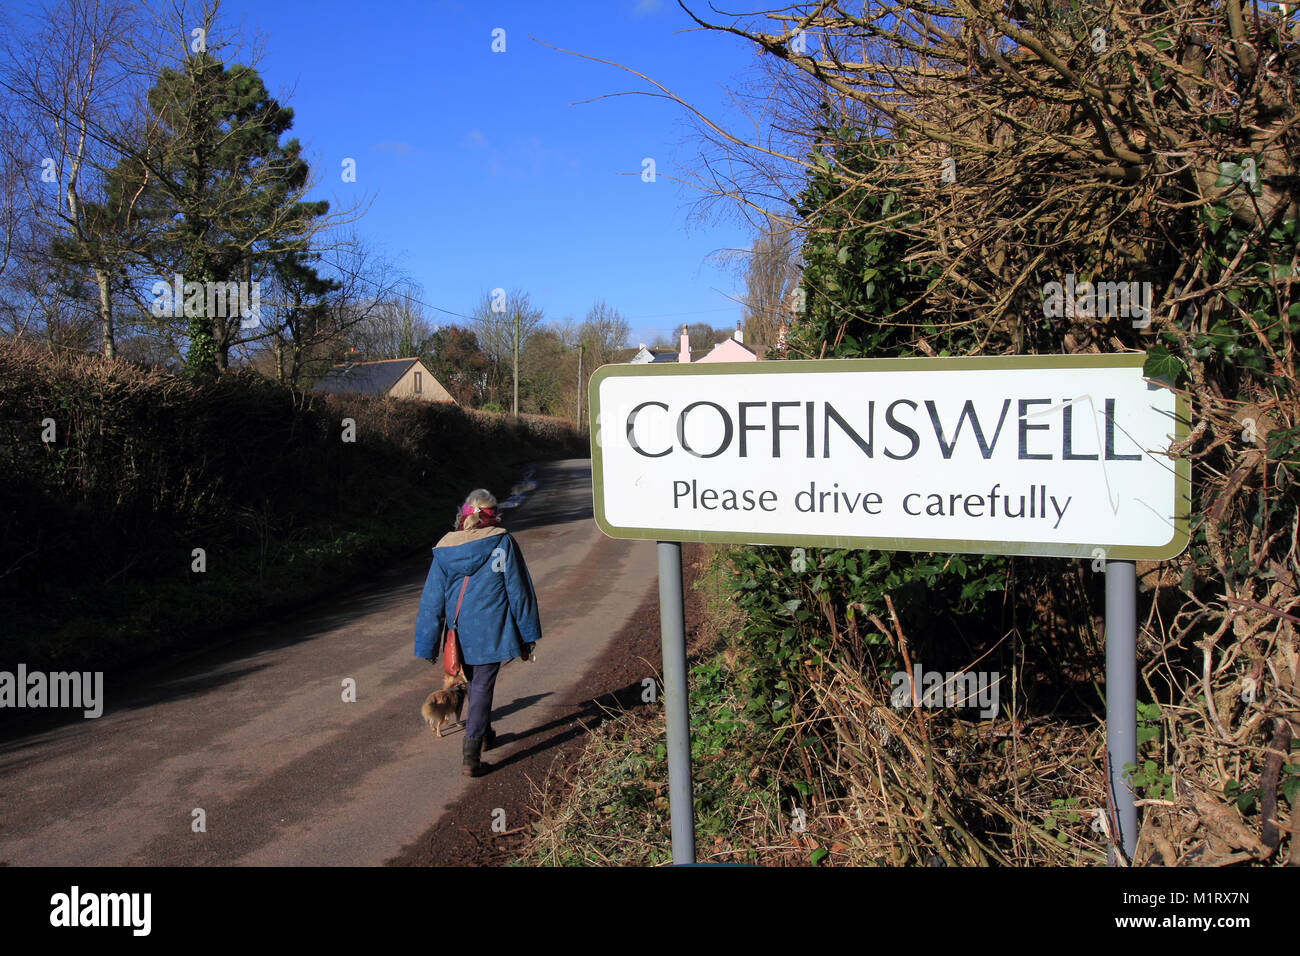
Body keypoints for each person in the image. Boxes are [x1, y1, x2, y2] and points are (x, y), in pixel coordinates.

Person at [414, 488, 540, 776]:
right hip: (492, 629)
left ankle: (484, 733)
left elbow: (432, 598)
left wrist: (427, 643)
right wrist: (528, 634)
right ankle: (471, 756)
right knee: (481, 685)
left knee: (474, 683)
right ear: (493, 515)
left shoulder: (445, 548)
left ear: (463, 515)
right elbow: (518, 590)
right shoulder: (502, 541)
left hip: (458, 632)